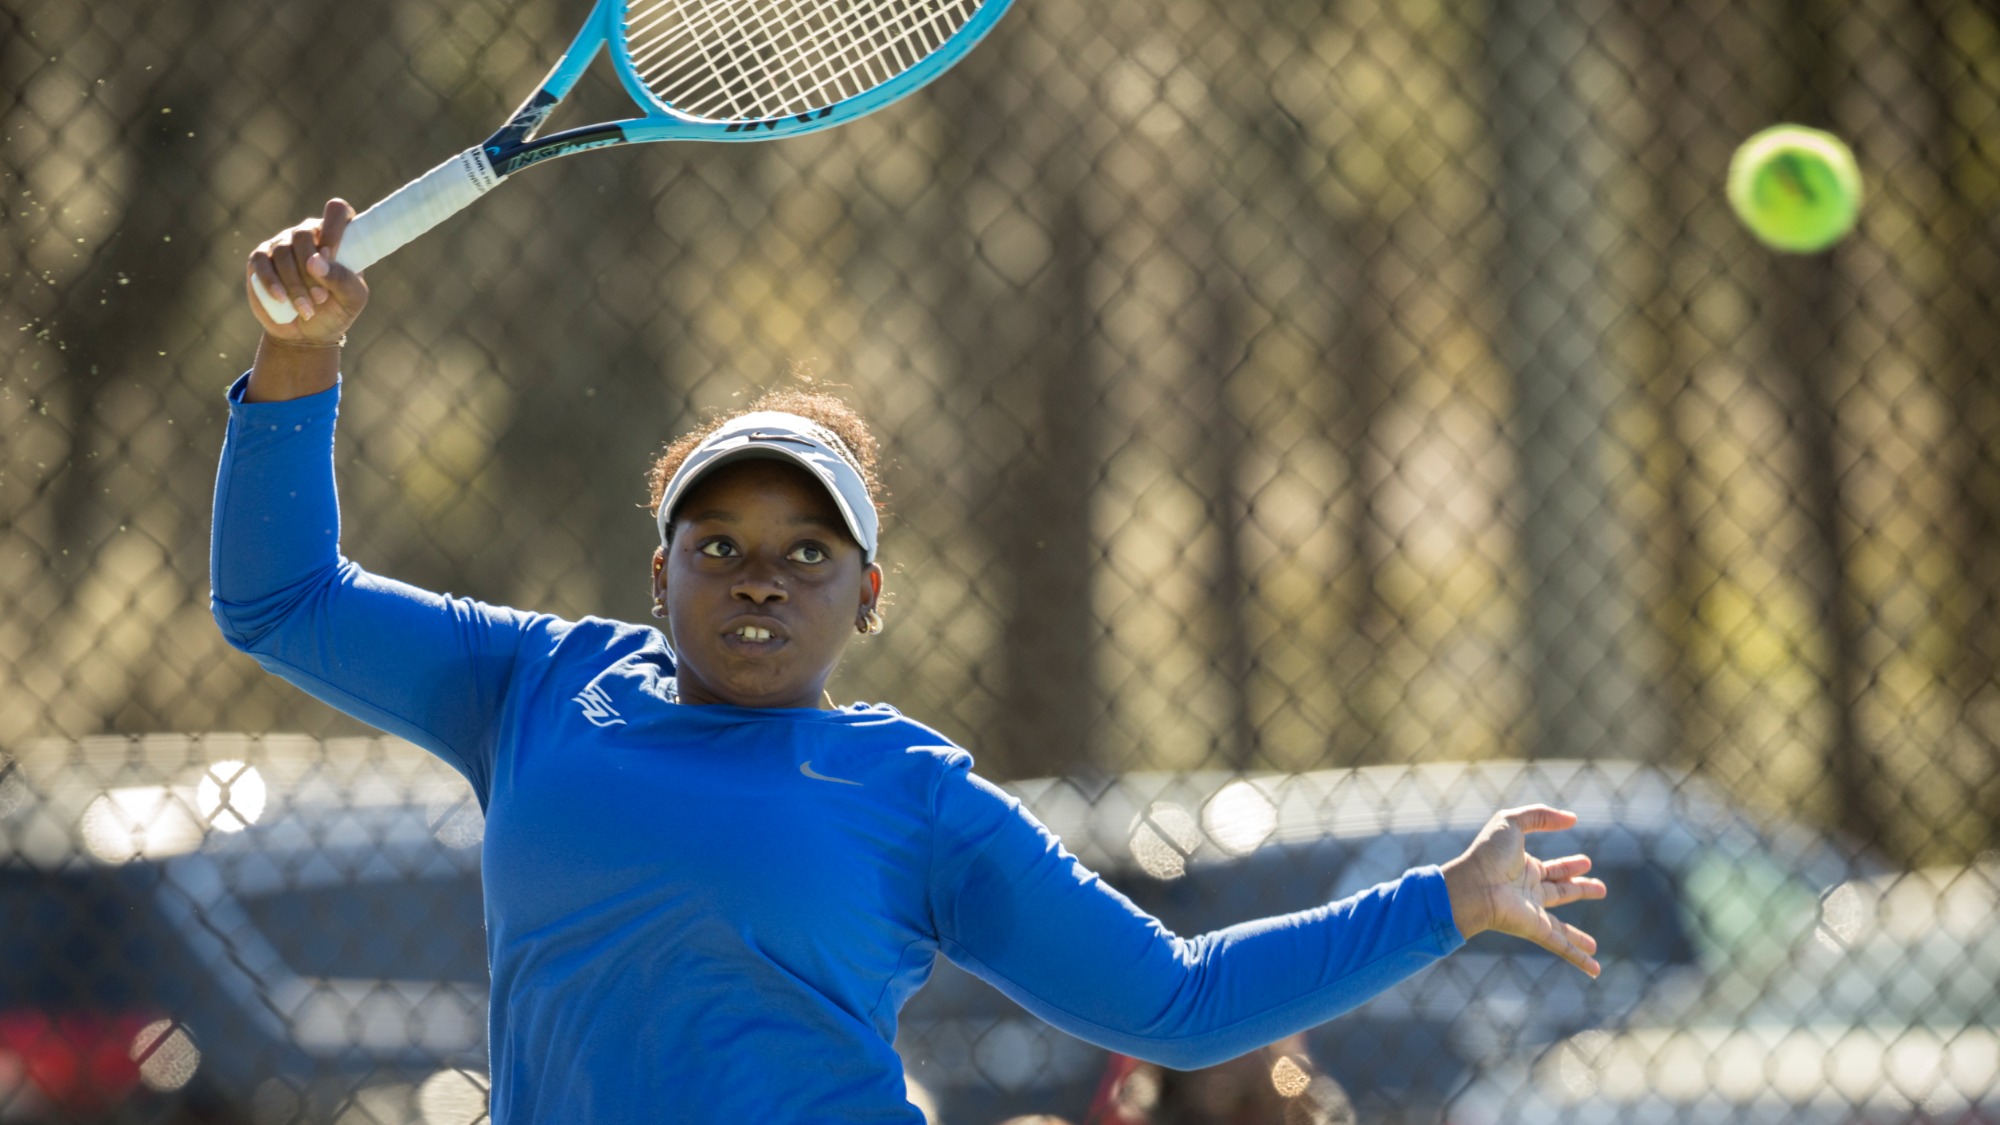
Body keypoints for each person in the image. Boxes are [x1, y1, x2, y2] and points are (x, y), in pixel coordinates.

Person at [215, 200, 1608, 1124]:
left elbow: (1176, 1003)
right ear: (660, 574)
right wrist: (298, 355)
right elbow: (279, 599)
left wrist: (1446, 901)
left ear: (868, 596)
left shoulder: (912, 795)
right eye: (719, 543)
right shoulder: (536, 686)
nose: (761, 575)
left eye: (809, 552)